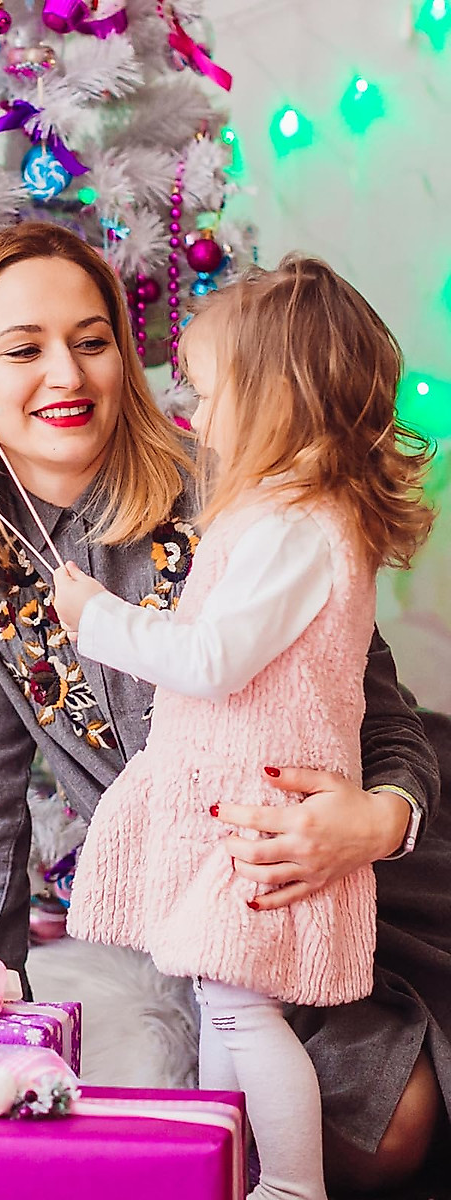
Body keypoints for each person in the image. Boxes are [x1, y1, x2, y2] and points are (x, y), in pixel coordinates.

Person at [0, 222, 451, 1191]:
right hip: (199, 899)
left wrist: (378, 819)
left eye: (92, 340)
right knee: (210, 1112)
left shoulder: (245, 489)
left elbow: (385, 717)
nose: (67, 374)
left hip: (347, 870)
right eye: (24, 349)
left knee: (388, 1128)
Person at [45, 256, 433, 1200]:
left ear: (275, 402)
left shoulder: (294, 526)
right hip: (237, 807)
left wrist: (101, 621)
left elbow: (213, 659)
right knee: (227, 1002)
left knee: (237, 1009)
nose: (195, 410)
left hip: (257, 818)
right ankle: (230, 1168)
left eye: (212, 392)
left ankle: (290, 1184)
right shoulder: (280, 516)